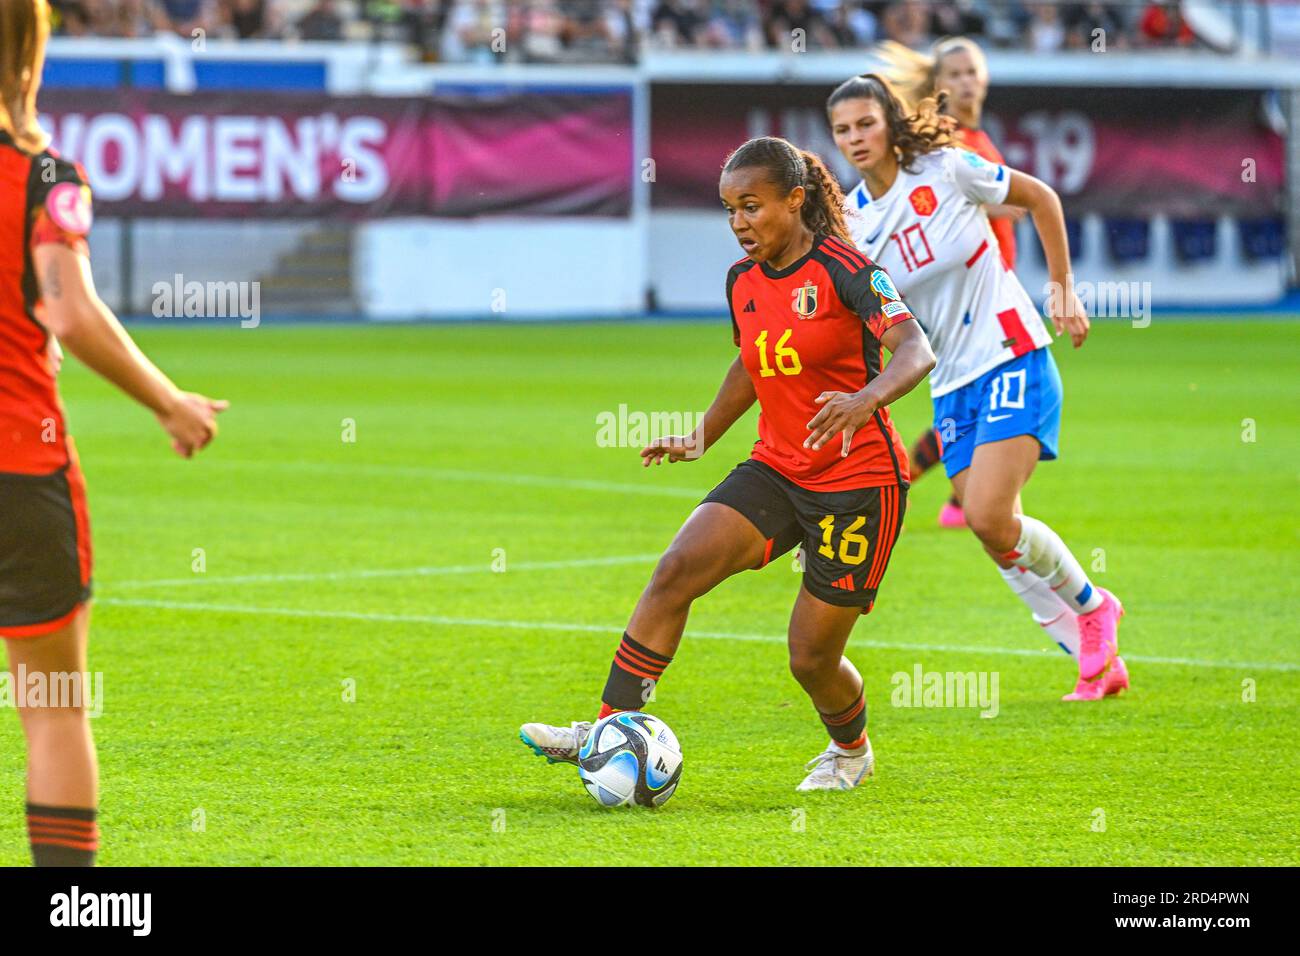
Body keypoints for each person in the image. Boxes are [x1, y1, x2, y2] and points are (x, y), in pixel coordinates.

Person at [521, 136, 935, 791]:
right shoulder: (742, 281)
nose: (740, 223)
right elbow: (753, 359)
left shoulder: (848, 270)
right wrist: (703, 434)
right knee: (675, 570)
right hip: (777, 467)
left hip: (858, 483)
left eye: (752, 206)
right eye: (729, 210)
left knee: (810, 656)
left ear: (795, 200)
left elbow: (915, 348)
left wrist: (867, 397)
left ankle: (851, 751)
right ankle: (603, 731)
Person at [0, 0, 227, 865]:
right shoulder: (43, 177)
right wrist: (168, 400)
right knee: (53, 707)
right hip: (21, 464)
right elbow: (67, 306)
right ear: (31, 57)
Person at [828, 73, 1127, 700]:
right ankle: (1087, 652)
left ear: (889, 121)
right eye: (843, 130)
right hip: (951, 383)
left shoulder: (944, 168)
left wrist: (1062, 286)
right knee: (995, 531)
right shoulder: (853, 224)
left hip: (1012, 350)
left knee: (988, 513)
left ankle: (1095, 608)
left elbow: (1040, 197)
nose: (855, 138)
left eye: (865, 123)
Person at [874, 37, 1024, 529]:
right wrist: (992, 202)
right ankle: (903, 483)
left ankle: (953, 500)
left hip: (992, 293)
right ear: (938, 85)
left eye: (972, 71)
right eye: (954, 74)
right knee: (997, 403)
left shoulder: (977, 137)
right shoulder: (943, 141)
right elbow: (925, 200)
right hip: (961, 299)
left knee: (981, 405)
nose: (965, 81)